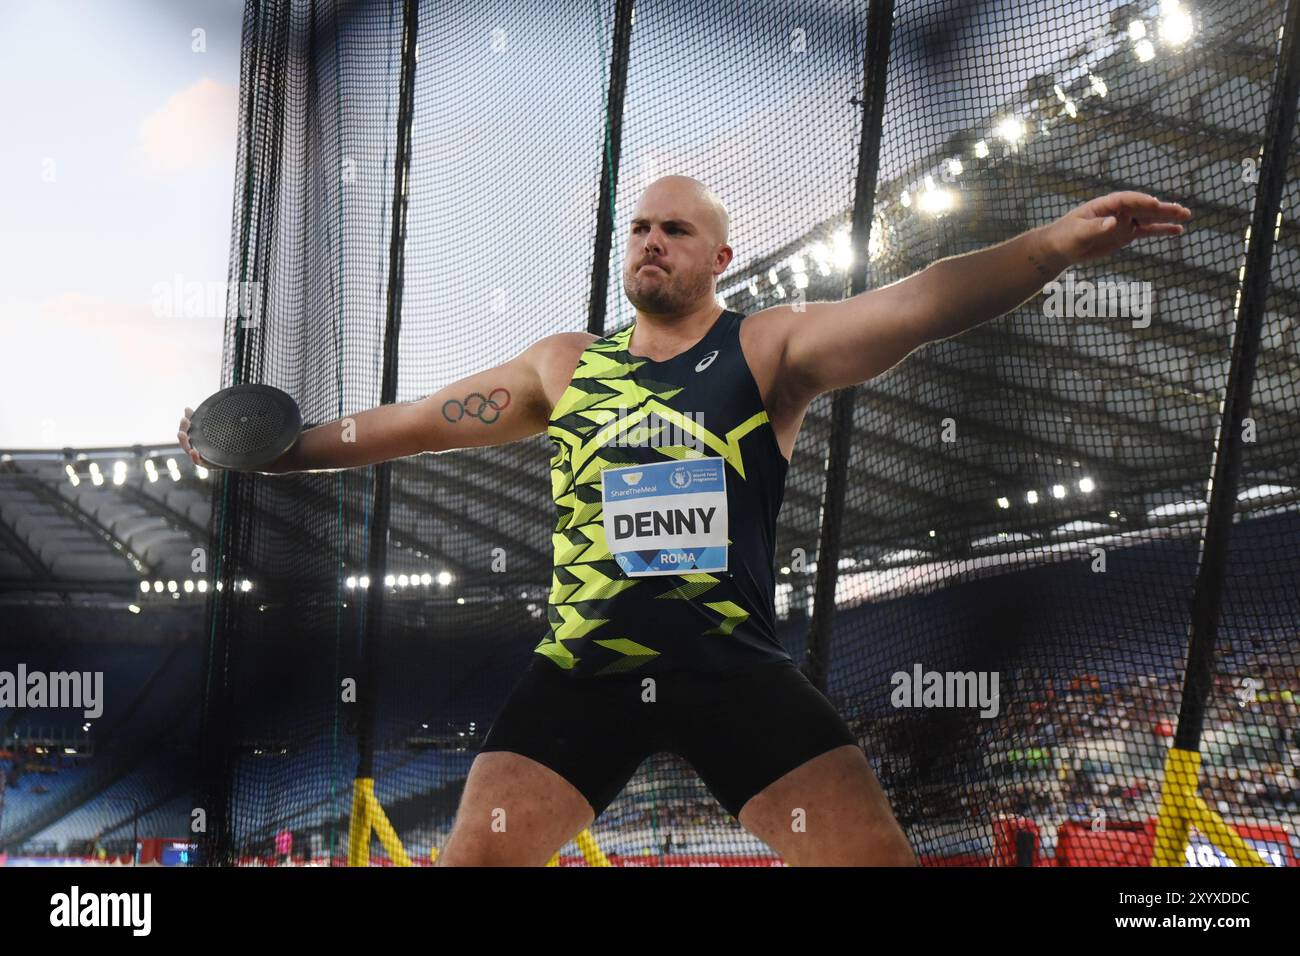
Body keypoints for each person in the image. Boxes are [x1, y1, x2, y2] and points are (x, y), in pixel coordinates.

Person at [179, 175, 1189, 866]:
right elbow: (410, 422)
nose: (650, 241)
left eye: (674, 230)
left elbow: (917, 301)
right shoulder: (563, 365)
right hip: (583, 672)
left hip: (729, 667)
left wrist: (1052, 244)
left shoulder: (768, 348)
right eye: (638, 228)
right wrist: (278, 446)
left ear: (719, 255)